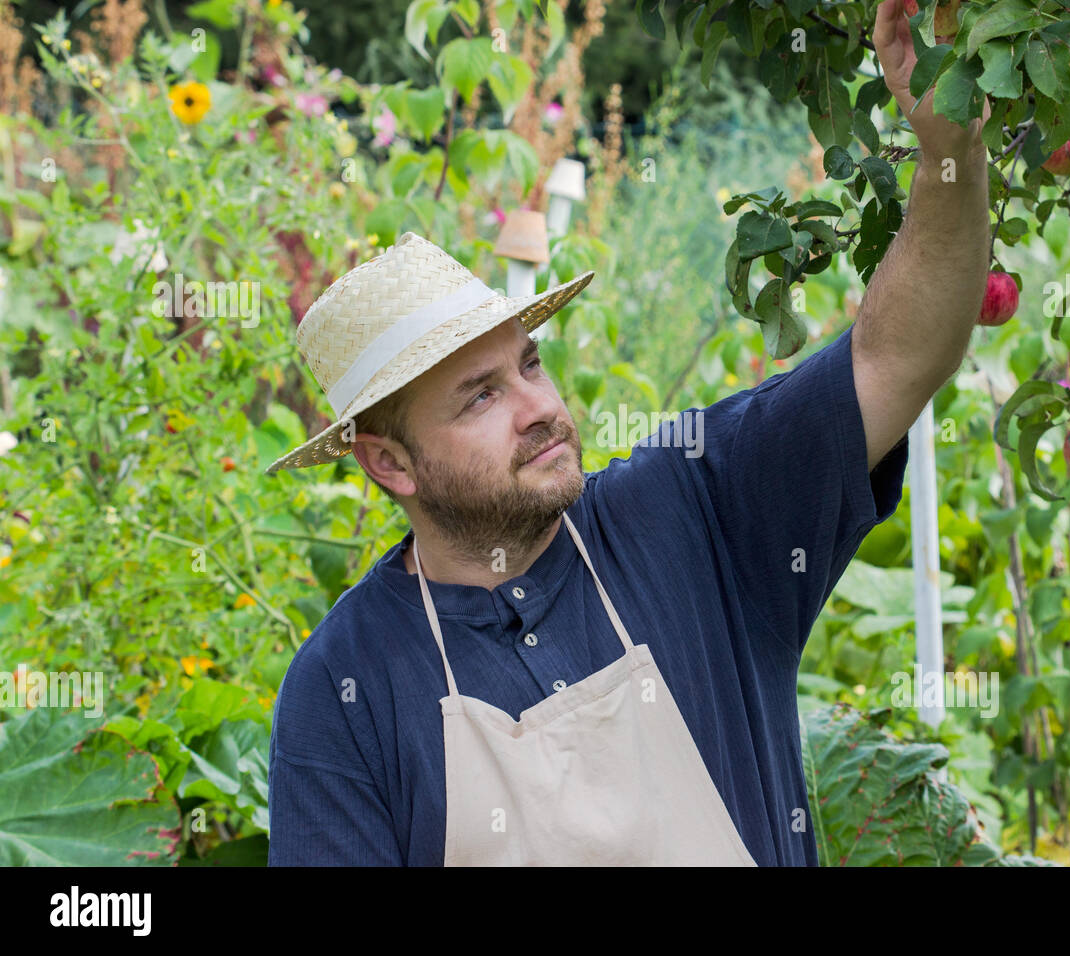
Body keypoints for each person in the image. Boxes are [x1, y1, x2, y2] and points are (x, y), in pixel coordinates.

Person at [265, 0, 988, 865]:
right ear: (389, 463)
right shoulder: (347, 686)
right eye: (478, 398)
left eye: (530, 365)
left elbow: (895, 359)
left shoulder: (693, 511)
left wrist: (950, 153)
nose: (536, 406)